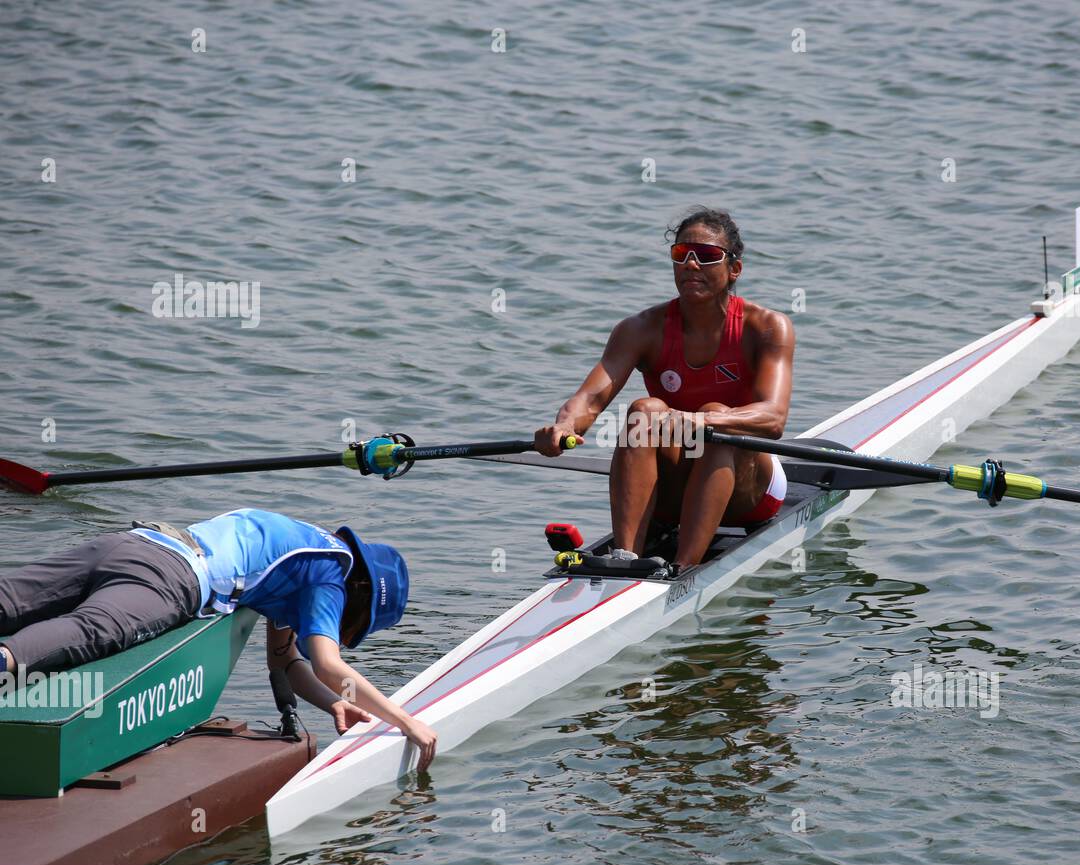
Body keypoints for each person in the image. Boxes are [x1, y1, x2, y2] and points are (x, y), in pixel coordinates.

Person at [0, 508, 437, 767]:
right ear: (361, 592)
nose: (343, 629)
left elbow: (285, 664)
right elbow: (328, 664)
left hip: (134, 543)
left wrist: (335, 703)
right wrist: (407, 721)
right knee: (90, 633)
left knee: (11, 601)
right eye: (355, 624)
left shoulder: (303, 556)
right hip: (173, 580)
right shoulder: (332, 577)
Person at [534, 208, 794, 566]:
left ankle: (683, 570)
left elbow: (773, 419)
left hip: (749, 493)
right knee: (644, 411)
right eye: (680, 254)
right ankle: (627, 557)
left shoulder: (767, 327)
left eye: (705, 256)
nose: (690, 264)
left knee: (715, 416)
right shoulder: (640, 329)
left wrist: (700, 422)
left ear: (734, 269)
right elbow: (589, 400)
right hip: (678, 484)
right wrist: (564, 426)